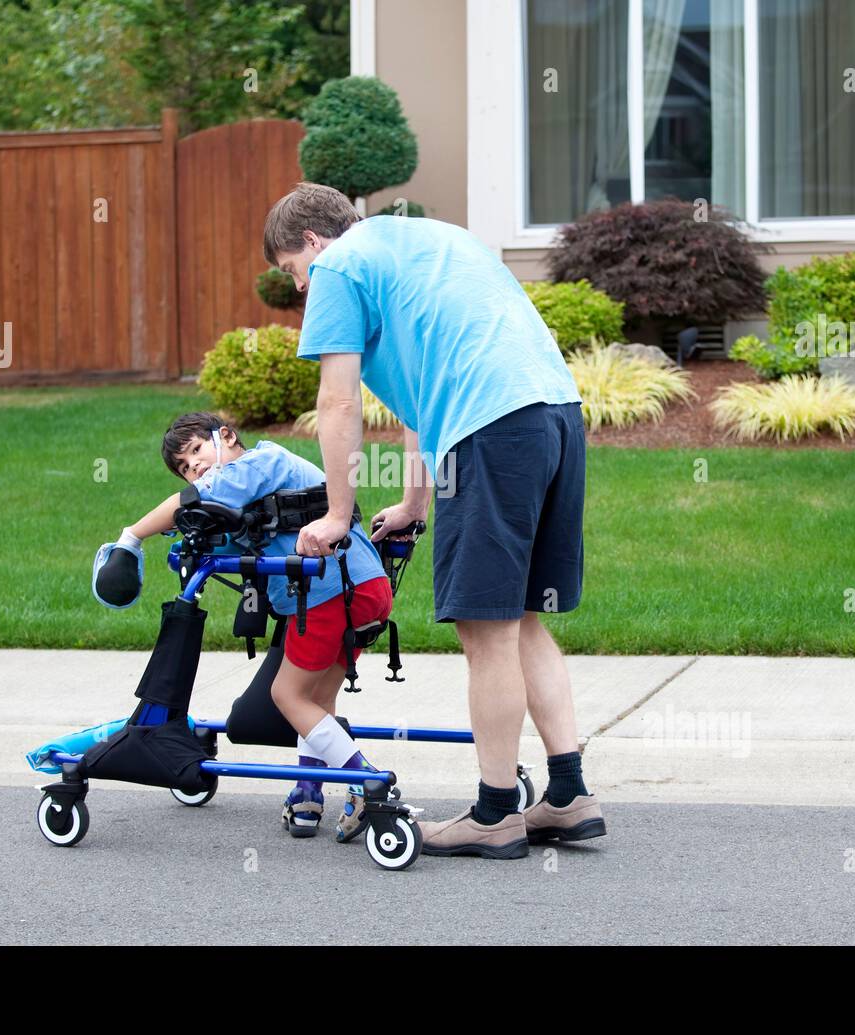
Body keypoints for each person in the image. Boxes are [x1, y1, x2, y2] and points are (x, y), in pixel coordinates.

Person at [265, 183, 607, 860]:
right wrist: (417, 501)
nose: (302, 290)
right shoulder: (438, 240)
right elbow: (430, 394)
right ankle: (567, 793)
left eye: (291, 273)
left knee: (486, 632)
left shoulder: (339, 265)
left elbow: (336, 403)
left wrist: (340, 514)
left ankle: (495, 812)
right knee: (523, 617)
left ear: (312, 242)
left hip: (494, 429)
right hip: (557, 414)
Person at [104, 410, 395, 841]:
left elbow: (195, 500)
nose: (194, 467)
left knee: (286, 695)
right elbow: (214, 526)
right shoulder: (244, 496)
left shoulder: (259, 464)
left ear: (226, 436)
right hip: (362, 588)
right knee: (316, 701)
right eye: (184, 467)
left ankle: (366, 782)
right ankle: (308, 796)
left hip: (326, 594)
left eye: (197, 451)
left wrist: (132, 536)